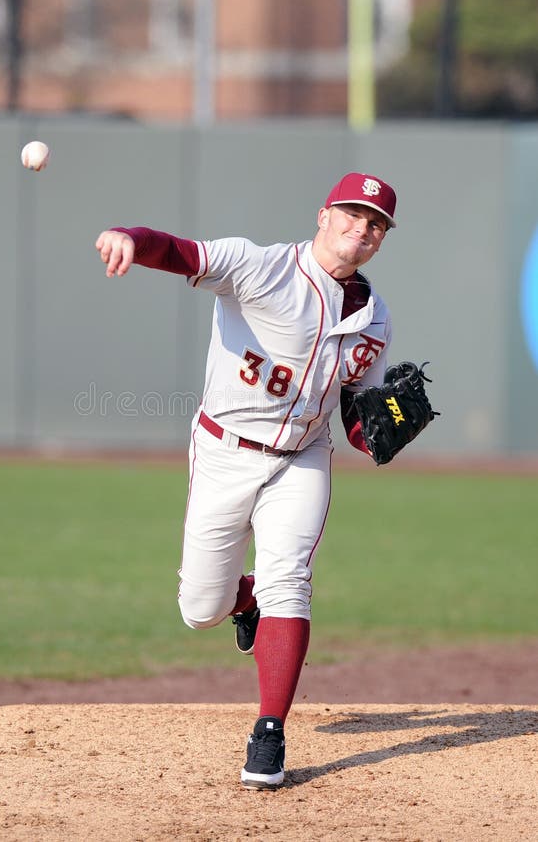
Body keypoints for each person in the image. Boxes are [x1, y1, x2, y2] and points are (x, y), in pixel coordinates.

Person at [94, 172, 397, 790]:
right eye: (352, 214)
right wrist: (128, 237)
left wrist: (377, 436)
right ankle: (244, 599)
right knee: (200, 608)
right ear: (323, 215)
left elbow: (357, 407)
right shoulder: (259, 268)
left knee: (292, 581)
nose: (360, 229)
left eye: (375, 225)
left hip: (302, 459)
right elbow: (177, 251)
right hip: (225, 451)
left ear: (381, 240)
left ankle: (269, 733)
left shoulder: (375, 319)